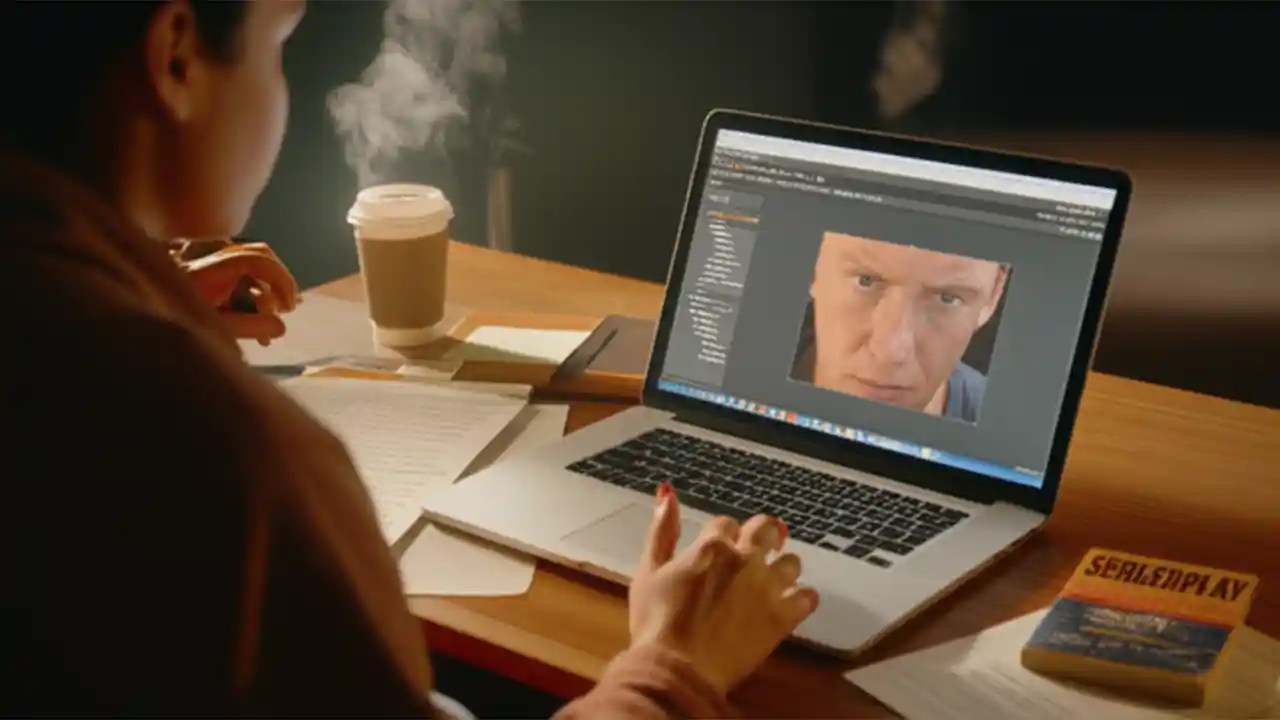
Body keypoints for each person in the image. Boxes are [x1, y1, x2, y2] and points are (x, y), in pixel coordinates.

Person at [0, 1, 817, 717]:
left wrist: (148, 284)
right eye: (281, 44)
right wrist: (669, 672)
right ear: (176, 55)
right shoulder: (216, 449)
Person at [792, 231, 1007, 422]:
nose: (891, 352)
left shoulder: (1008, 430)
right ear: (812, 266)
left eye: (947, 298)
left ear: (993, 296)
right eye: (865, 281)